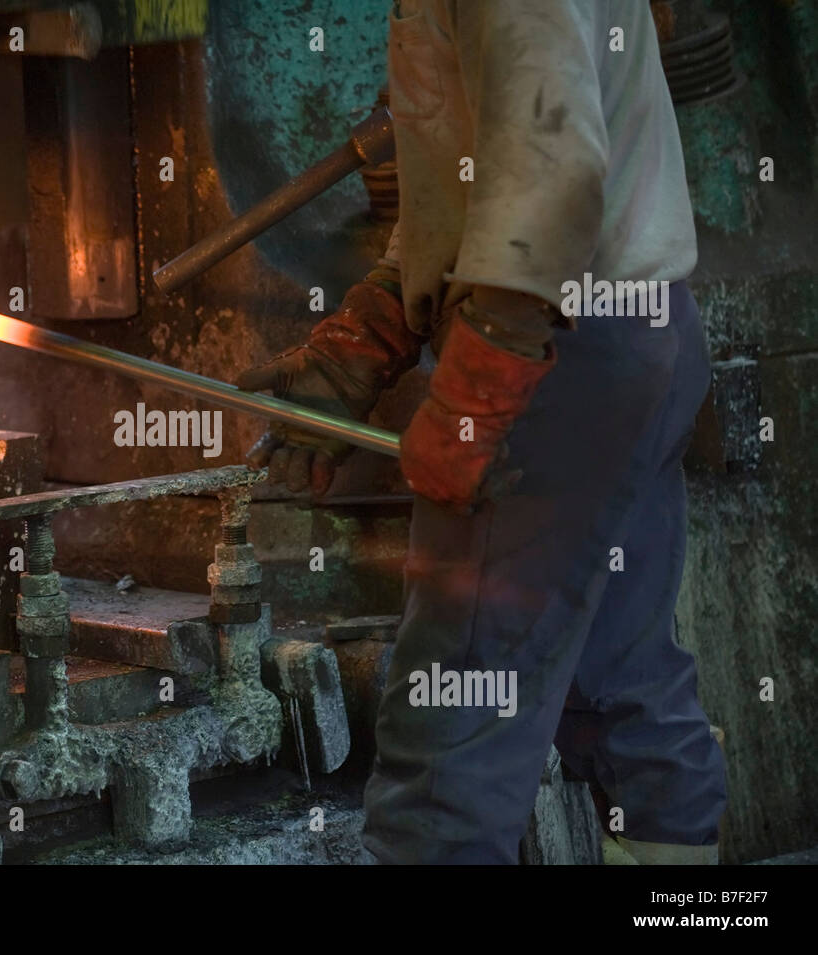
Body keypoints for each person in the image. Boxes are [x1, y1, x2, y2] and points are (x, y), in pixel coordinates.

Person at [239, 0, 727, 864]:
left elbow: (551, 173)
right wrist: (370, 340)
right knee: (623, 675)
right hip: (638, 333)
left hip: (555, 354)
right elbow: (479, 177)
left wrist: (481, 389)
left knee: (453, 723)